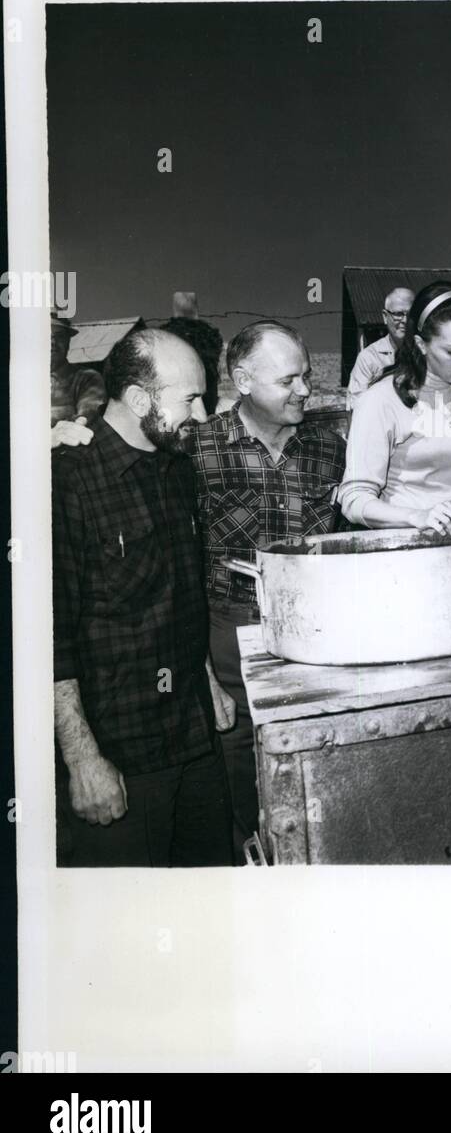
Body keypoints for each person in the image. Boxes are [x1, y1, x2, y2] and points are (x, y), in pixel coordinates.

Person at [52, 329, 234, 867]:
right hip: (121, 753)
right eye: (189, 400)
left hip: (193, 736)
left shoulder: (175, 469)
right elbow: (49, 637)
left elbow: (180, 592)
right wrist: (82, 760)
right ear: (137, 399)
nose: (201, 416)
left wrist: (206, 679)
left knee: (209, 905)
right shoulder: (67, 481)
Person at [186, 321, 346, 861]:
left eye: (306, 376)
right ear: (243, 380)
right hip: (230, 636)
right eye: (289, 380)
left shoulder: (330, 449)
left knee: (312, 763)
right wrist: (199, 668)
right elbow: (177, 563)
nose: (305, 390)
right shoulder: (196, 450)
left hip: (316, 638)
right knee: (239, 777)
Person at [338, 282, 451, 535]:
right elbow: (354, 500)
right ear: (421, 344)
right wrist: (418, 516)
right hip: (405, 547)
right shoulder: (380, 400)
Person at [346, 286, 415, 410]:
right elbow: (357, 405)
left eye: (410, 314)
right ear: (385, 316)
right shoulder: (369, 358)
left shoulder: (425, 354)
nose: (405, 320)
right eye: (398, 314)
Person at [50, 314, 106, 427]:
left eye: (59, 336)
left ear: (68, 341)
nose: (52, 342)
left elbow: (85, 419)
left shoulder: (87, 378)